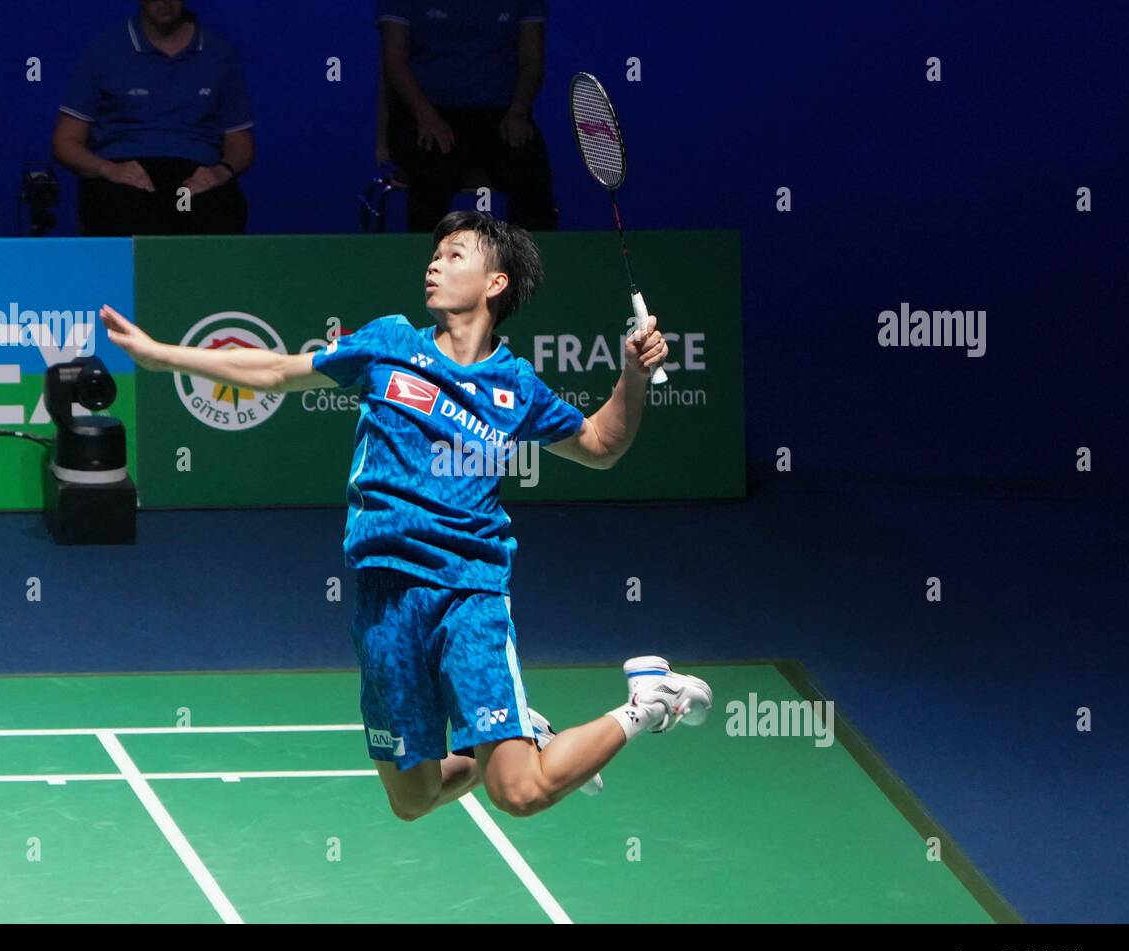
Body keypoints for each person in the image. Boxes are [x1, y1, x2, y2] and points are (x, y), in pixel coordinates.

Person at [101, 210, 711, 821]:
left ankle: (647, 702)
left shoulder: (515, 386)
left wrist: (634, 375)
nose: (434, 264)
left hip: (468, 590)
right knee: (413, 798)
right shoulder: (390, 343)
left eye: (454, 255)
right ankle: (520, 732)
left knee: (519, 794)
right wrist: (162, 356)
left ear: (496, 283)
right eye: (435, 254)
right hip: (383, 598)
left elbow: (602, 445)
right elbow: (277, 370)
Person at [52, 0, 254, 236]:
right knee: (138, 221)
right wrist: (109, 170)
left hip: (195, 179)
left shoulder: (219, 53)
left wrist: (218, 173)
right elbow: (65, 142)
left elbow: (241, 144)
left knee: (214, 216)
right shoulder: (103, 50)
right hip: (125, 174)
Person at [376, 1, 560, 232]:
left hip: (500, 113)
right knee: (432, 173)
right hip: (424, 111)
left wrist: (519, 110)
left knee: (530, 174)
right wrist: (426, 116)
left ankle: (526, 264)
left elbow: (532, 61)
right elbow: (394, 60)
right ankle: (429, 262)